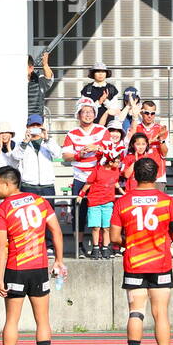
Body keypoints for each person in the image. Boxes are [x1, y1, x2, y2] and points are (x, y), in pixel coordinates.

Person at [110, 157, 173, 345]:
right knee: (161, 313)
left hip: (134, 262)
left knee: (136, 312)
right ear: (156, 175)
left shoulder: (124, 201)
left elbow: (114, 237)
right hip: (160, 263)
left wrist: (130, 241)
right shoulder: (166, 201)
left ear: (135, 175)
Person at [0, 165, 65, 345]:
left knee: (12, 319)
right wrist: (59, 260)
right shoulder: (39, 201)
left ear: (7, 184)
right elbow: (56, 231)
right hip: (40, 266)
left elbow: (0, 246)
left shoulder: (3, 209)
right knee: (42, 318)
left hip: (16, 268)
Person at [63, 99, 108, 256]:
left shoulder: (102, 130)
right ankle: (79, 246)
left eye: (90, 111)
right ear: (78, 114)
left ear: (95, 114)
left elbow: (111, 151)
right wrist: (78, 154)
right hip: (80, 178)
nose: (88, 115)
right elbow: (66, 156)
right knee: (79, 213)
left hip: (99, 179)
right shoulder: (72, 133)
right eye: (84, 111)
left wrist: (98, 147)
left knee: (102, 212)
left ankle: (102, 246)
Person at [79, 123, 124, 258]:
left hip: (108, 202)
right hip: (95, 202)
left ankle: (105, 247)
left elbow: (116, 184)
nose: (118, 163)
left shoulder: (115, 172)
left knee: (106, 227)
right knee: (96, 227)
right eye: (116, 161)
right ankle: (96, 248)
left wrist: (123, 193)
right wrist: (81, 194)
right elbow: (88, 183)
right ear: (110, 162)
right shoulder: (98, 170)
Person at [12, 114, 59, 198]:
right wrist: (25, 142)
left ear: (42, 127)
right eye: (32, 126)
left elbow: (57, 154)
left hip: (47, 186)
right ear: (27, 127)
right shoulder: (21, 143)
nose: (35, 127)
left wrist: (46, 138)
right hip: (28, 186)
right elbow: (16, 156)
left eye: (38, 125)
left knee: (47, 211)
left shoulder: (48, 142)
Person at [27, 51, 55, 122]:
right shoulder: (13, 83)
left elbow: (48, 78)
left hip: (35, 123)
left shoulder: (39, 81)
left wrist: (45, 65)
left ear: (31, 68)